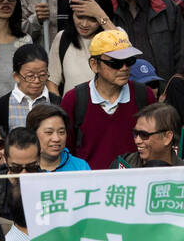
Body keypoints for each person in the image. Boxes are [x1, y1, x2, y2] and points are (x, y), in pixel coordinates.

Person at [59, 29, 154, 169]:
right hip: (89, 186)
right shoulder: (73, 100)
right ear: (94, 64)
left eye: (129, 61)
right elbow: (66, 151)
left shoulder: (144, 95)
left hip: (134, 186)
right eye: (115, 63)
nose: (124, 68)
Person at [0, 44, 57, 131]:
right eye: (30, 76)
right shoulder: (2, 106)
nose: (37, 81)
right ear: (16, 76)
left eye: (42, 75)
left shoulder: (56, 103)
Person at [26, 103, 90, 172]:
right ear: (33, 134)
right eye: (49, 132)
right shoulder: (21, 168)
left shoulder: (80, 167)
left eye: (61, 132)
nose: (56, 139)